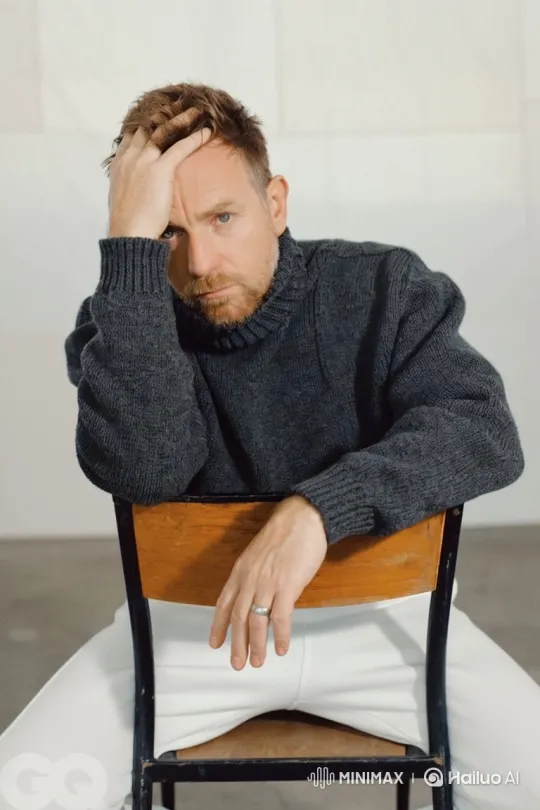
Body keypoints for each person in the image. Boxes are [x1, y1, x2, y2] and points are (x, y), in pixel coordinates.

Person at [0, 82, 538, 810]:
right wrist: (127, 252)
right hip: (191, 636)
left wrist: (319, 509)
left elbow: (483, 429)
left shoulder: (382, 286)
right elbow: (145, 470)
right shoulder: (124, 320)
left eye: (224, 217)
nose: (200, 263)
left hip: (388, 625)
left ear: (276, 203)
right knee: (21, 790)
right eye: (166, 232)